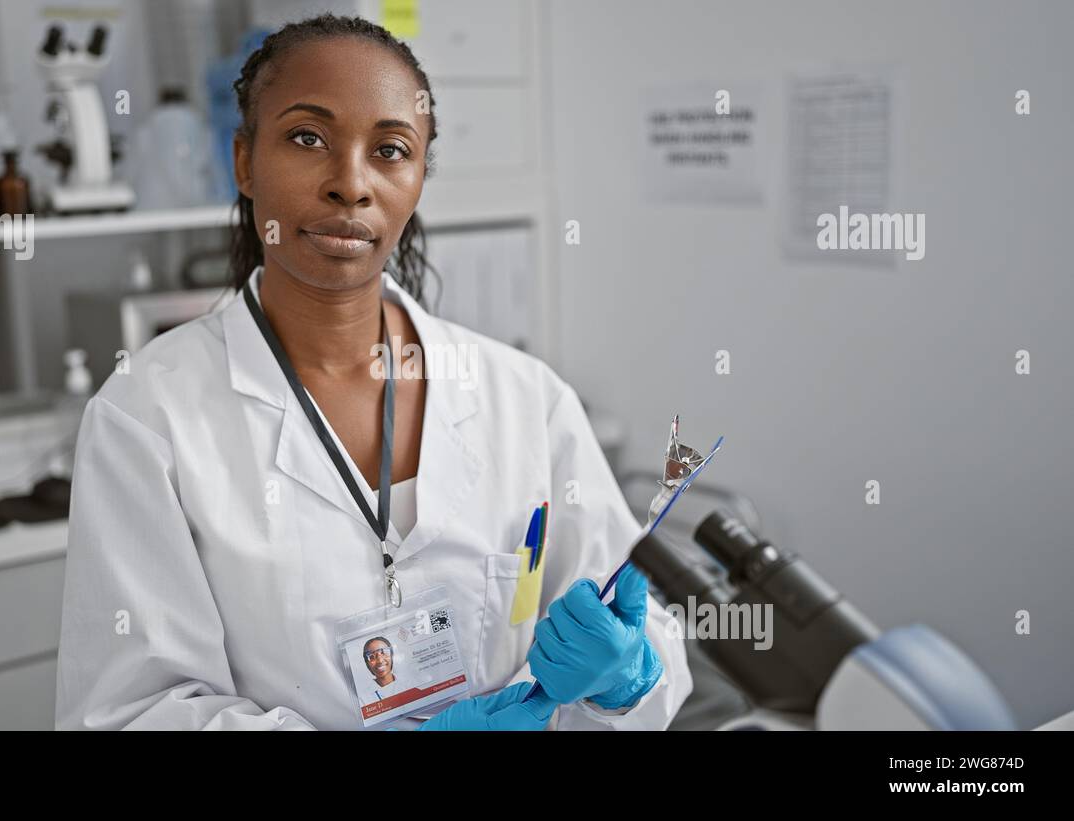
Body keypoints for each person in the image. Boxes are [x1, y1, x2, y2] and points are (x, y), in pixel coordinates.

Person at [55, 14, 692, 731]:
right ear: (243, 161)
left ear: (418, 178)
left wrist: (625, 678)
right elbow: (129, 713)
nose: (350, 184)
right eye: (307, 138)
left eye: (390, 149)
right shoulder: (147, 418)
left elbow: (645, 648)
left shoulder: (525, 399)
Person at [360, 637, 407, 705]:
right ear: (367, 663)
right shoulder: (363, 699)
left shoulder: (410, 683)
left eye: (383, 652)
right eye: (371, 656)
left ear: (392, 655)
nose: (380, 661)